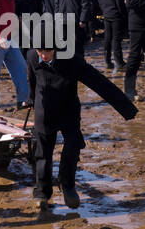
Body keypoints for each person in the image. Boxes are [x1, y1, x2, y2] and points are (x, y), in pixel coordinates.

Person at [26, 34, 137, 211]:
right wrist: (31, 99)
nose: (42, 55)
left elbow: (98, 81)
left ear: (55, 48)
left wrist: (126, 108)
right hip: (44, 110)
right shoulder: (32, 55)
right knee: (43, 153)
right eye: (39, 51)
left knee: (73, 145)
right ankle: (42, 192)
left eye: (46, 51)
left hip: (68, 110)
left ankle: (68, 185)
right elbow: (31, 79)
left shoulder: (70, 59)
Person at [95, 0, 127, 72]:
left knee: (108, 38)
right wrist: (123, 13)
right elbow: (119, 0)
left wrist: (103, 9)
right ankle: (120, 62)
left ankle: (108, 60)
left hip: (106, 11)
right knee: (116, 39)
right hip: (115, 12)